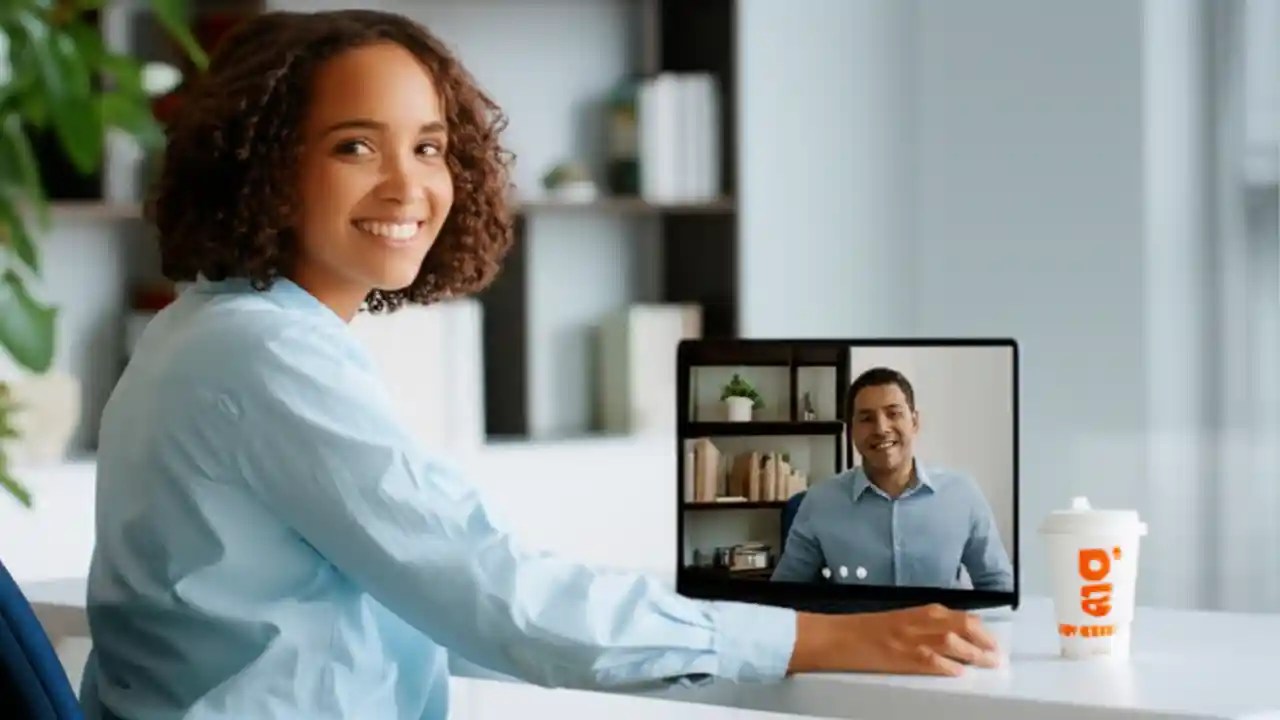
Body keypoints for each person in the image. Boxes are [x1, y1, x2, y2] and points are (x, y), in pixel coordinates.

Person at [78, 10, 1000, 720]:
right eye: (355, 145)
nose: (409, 186)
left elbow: (448, 598)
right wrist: (812, 638)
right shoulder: (267, 354)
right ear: (265, 167)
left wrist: (723, 625)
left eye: (430, 147)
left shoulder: (211, 331)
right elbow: (502, 604)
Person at [772, 367, 1014, 592]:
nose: (881, 428)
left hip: (943, 634)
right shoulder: (820, 502)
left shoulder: (962, 494)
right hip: (860, 634)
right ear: (851, 430)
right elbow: (784, 596)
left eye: (893, 414)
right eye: (866, 418)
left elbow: (997, 584)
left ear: (914, 421)